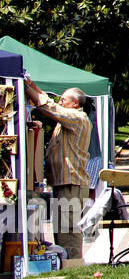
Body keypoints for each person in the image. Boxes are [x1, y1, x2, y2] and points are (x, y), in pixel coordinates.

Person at [23, 80, 91, 265]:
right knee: (62, 228)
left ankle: (74, 265)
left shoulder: (77, 118)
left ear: (75, 103)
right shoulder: (69, 119)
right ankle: (67, 265)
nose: (59, 103)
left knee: (68, 229)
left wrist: (27, 89)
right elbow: (48, 100)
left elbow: (49, 106)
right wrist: (31, 85)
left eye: (63, 100)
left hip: (71, 182)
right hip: (65, 182)